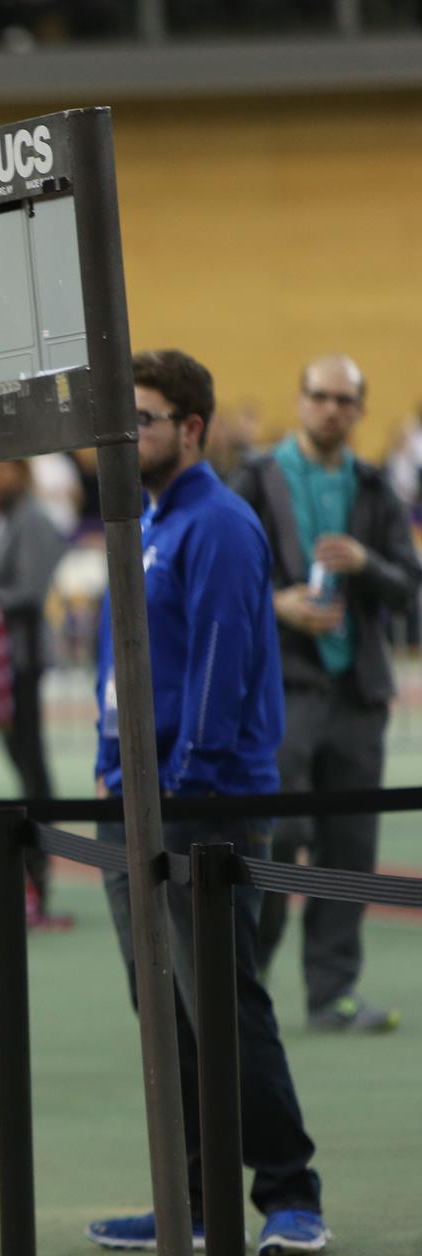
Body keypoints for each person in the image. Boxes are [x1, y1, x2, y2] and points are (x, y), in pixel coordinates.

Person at [86, 348, 328, 1256]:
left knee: (225, 1008)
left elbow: (226, 663)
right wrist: (118, 776)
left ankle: (291, 1194)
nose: (125, 434)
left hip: (202, 805)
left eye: (141, 417)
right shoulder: (144, 522)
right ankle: (189, 1199)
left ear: (190, 427)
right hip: (135, 800)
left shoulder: (218, 524)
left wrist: (183, 782)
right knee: (168, 1010)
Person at [236, 355, 420, 1033]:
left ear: (361, 410)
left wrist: (368, 564)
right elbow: (221, 577)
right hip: (282, 690)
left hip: (357, 692)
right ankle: (245, 987)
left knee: (350, 846)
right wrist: (275, 605)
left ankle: (332, 993)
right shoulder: (255, 479)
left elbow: (408, 583)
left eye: (345, 399)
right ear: (301, 398)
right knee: (278, 835)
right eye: (319, 395)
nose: (331, 408)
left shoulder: (374, 485)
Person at [0, 457, 68, 923]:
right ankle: (28, 873)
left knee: (31, 766)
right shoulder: (0, 520)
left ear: (22, 474)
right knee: (18, 760)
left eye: (3, 471)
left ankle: (42, 872)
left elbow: (28, 590)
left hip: (21, 660)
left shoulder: (34, 521)